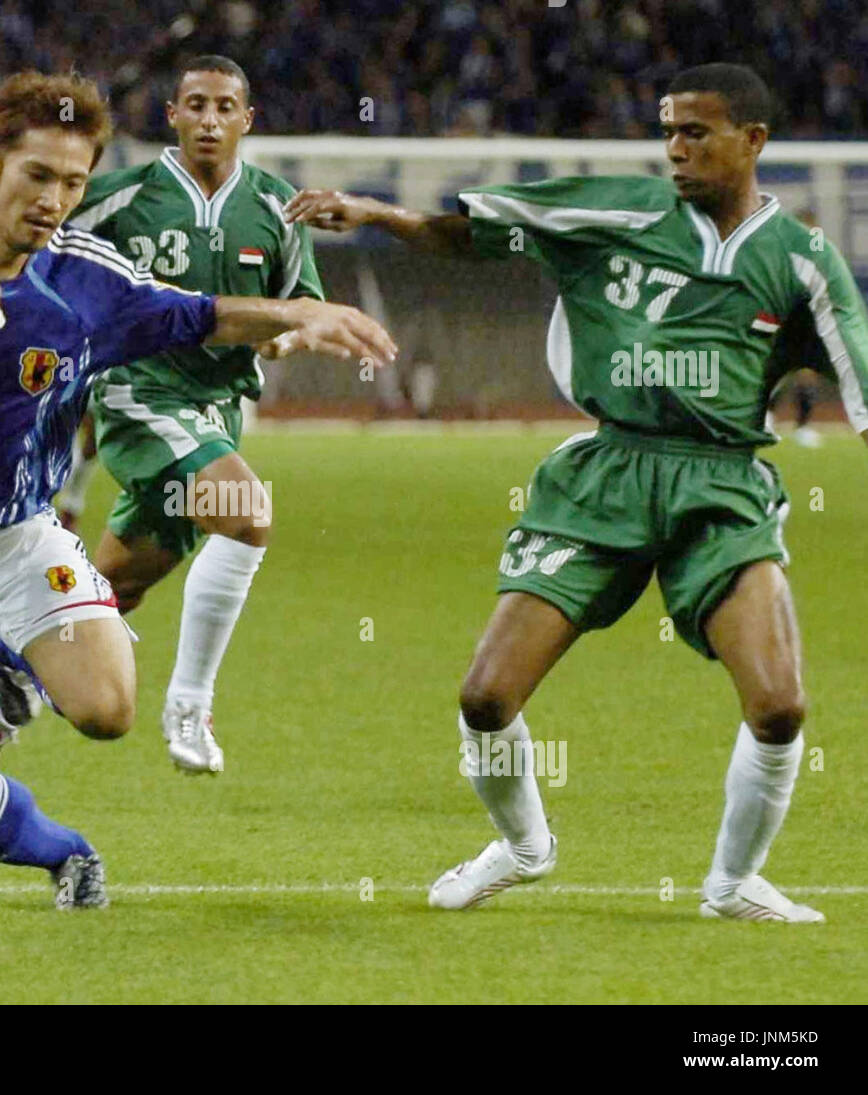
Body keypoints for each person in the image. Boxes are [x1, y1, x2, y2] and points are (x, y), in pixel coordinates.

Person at [287, 62, 868, 922]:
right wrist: (380, 215)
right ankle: (523, 845)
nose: (675, 150)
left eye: (696, 133)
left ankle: (731, 882)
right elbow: (475, 233)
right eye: (668, 130)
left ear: (753, 141)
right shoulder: (618, 211)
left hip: (722, 486)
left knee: (779, 706)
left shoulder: (803, 261)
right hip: (607, 475)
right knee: (485, 696)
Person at [0, 71, 395, 908]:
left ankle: (13, 663)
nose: (55, 199)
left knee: (108, 706)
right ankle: (67, 854)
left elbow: (199, 314)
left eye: (74, 182)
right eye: (38, 175)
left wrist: (295, 315)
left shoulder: (86, 279)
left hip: (15, 537)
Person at [1, 55, 324, 776]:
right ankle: (190, 701)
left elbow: (301, 306)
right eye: (196, 105)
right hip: (138, 395)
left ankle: (7, 664)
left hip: (218, 411)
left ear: (248, 119)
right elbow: (33, 249)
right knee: (246, 514)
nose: (210, 119)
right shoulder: (116, 199)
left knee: (118, 587)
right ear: (173, 116)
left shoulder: (278, 209)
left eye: (224, 107)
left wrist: (289, 333)